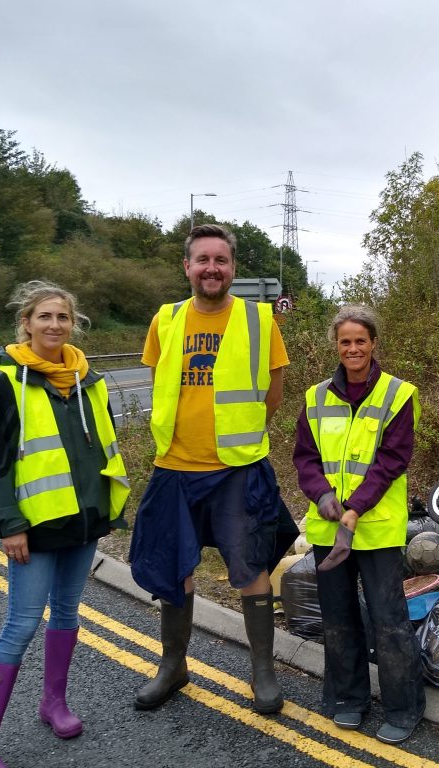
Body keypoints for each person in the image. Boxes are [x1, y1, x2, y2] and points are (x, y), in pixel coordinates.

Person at [128, 223, 297, 715]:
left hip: (237, 469)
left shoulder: (260, 320)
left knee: (251, 571)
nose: (211, 268)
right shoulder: (165, 319)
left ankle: (262, 672)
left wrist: (237, 434)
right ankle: (173, 665)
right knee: (176, 569)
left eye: (220, 260)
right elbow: (159, 382)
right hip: (174, 468)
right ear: (187, 266)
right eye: (202, 259)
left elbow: (274, 394)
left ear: (233, 268)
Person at [0, 280, 130, 767]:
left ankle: (53, 702)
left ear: (74, 324)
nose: (54, 325)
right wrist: (10, 523)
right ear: (26, 323)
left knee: (67, 614)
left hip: (81, 524)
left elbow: (103, 448)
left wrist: (106, 510)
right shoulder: (5, 382)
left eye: (63, 317)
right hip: (33, 529)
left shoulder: (89, 381)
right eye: (44, 317)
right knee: (19, 626)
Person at [293, 304, 425, 744]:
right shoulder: (314, 397)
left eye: (360, 341)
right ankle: (348, 698)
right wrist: (325, 497)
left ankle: (404, 708)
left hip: (377, 528)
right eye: (345, 341)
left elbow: (392, 460)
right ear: (337, 345)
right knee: (338, 618)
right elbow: (306, 459)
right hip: (328, 529)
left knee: (389, 621)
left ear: (373, 344)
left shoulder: (398, 395)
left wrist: (354, 507)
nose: (353, 348)